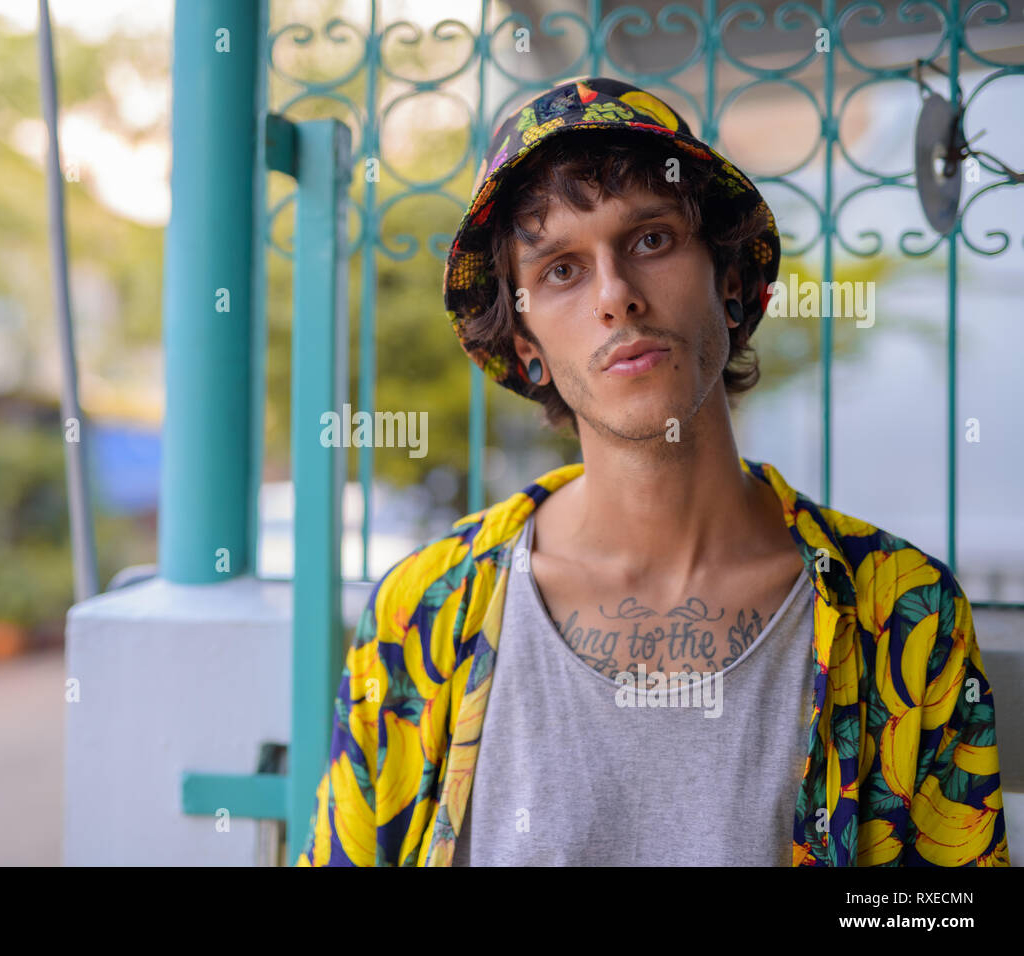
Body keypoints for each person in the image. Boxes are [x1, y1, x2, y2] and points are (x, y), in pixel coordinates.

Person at [295, 76, 1009, 867]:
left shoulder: (903, 614)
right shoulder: (427, 613)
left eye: (651, 240)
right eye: (561, 270)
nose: (616, 297)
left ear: (730, 282)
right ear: (525, 343)